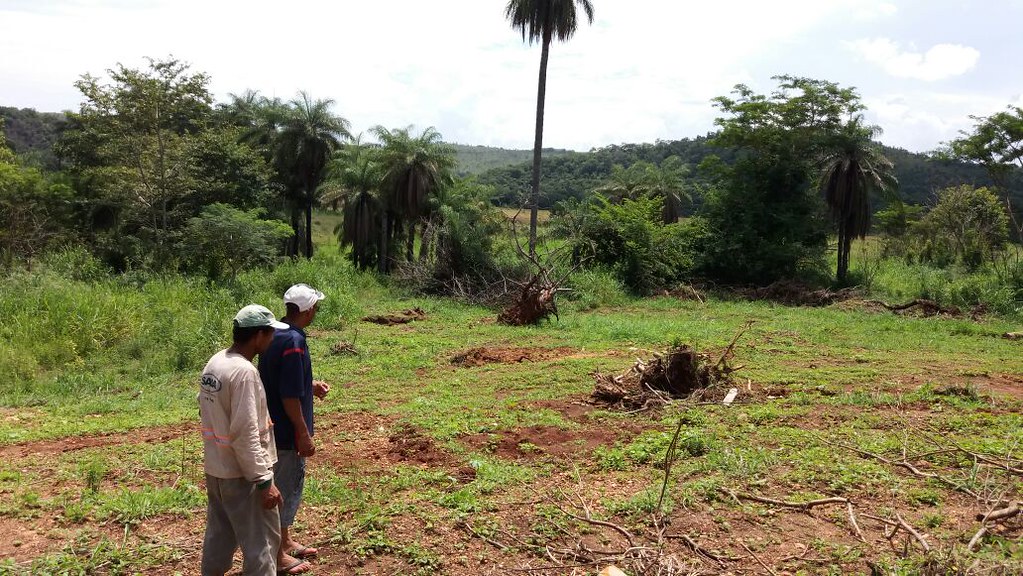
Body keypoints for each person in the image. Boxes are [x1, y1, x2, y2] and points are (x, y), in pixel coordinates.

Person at [199, 304, 287, 576]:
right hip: (243, 475)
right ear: (259, 336)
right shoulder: (245, 372)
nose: (273, 339)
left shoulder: (217, 362)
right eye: (270, 333)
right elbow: (245, 432)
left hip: (217, 470)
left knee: (219, 535)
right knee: (262, 543)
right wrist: (263, 481)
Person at [259, 284, 330, 573]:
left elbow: (278, 377)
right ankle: (277, 555)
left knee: (285, 486)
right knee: (285, 487)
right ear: (309, 310)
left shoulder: (276, 334)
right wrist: (302, 432)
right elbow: (288, 395)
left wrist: (309, 385)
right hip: (287, 432)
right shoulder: (295, 342)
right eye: (316, 307)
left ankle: (285, 541)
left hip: (273, 423)